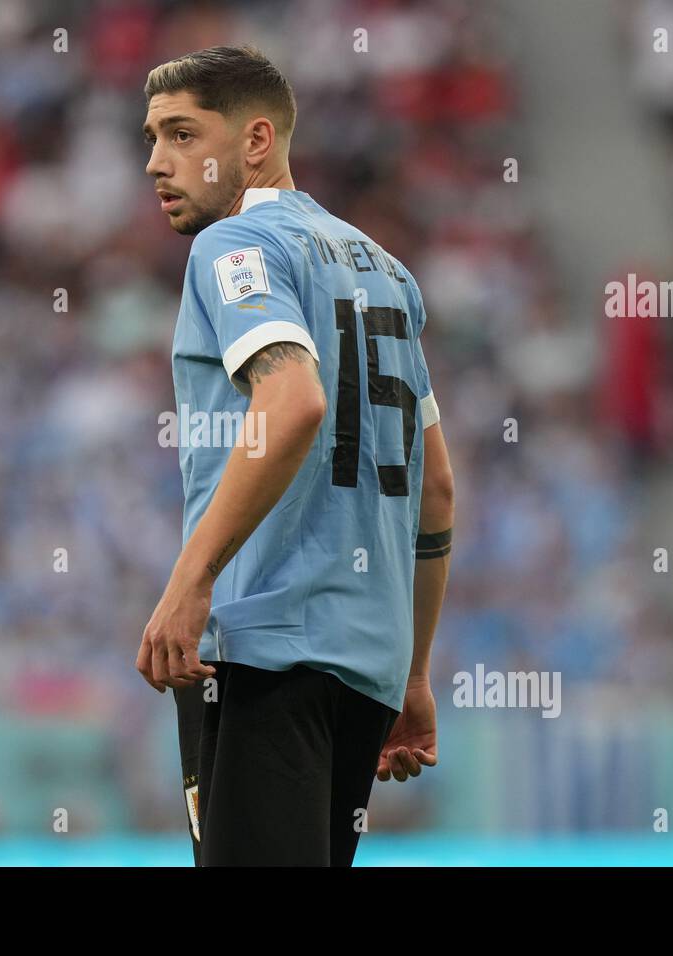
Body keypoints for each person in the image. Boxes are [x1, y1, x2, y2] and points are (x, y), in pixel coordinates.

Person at [136, 46, 455, 865]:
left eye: (181, 134)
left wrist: (192, 578)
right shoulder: (387, 272)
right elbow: (437, 490)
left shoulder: (231, 247)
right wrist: (413, 675)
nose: (157, 162)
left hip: (262, 649)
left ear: (256, 140)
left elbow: (294, 401)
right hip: (367, 670)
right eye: (153, 138)